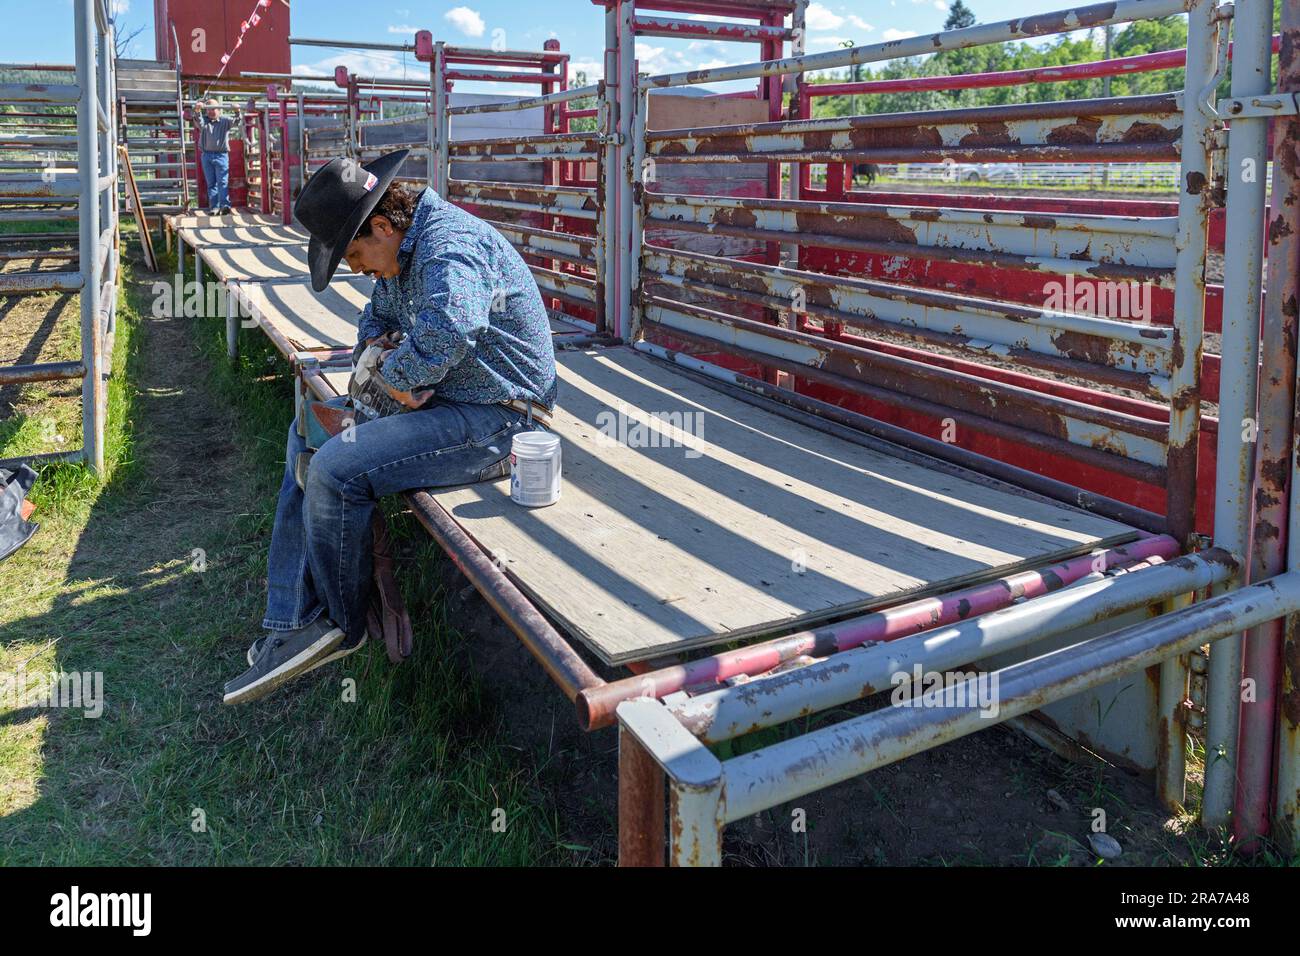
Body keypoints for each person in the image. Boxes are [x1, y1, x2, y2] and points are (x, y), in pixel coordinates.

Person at [222, 150, 558, 705]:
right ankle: (289, 620)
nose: (358, 269)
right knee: (306, 427)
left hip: (503, 418)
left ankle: (338, 625)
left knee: (333, 470)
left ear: (381, 225)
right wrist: (373, 351)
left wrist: (393, 375)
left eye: (355, 254)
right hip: (455, 403)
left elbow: (454, 326)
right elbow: (377, 314)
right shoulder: (408, 244)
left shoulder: (449, 247)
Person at [193, 97, 233, 215]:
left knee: (223, 182)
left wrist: (237, 111)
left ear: (219, 110)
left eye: (214, 109)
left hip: (221, 155)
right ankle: (214, 208)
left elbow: (237, 121)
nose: (211, 111)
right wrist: (197, 110)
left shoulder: (225, 121)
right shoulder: (204, 121)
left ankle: (225, 206)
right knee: (211, 183)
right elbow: (198, 120)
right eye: (209, 109)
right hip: (207, 155)